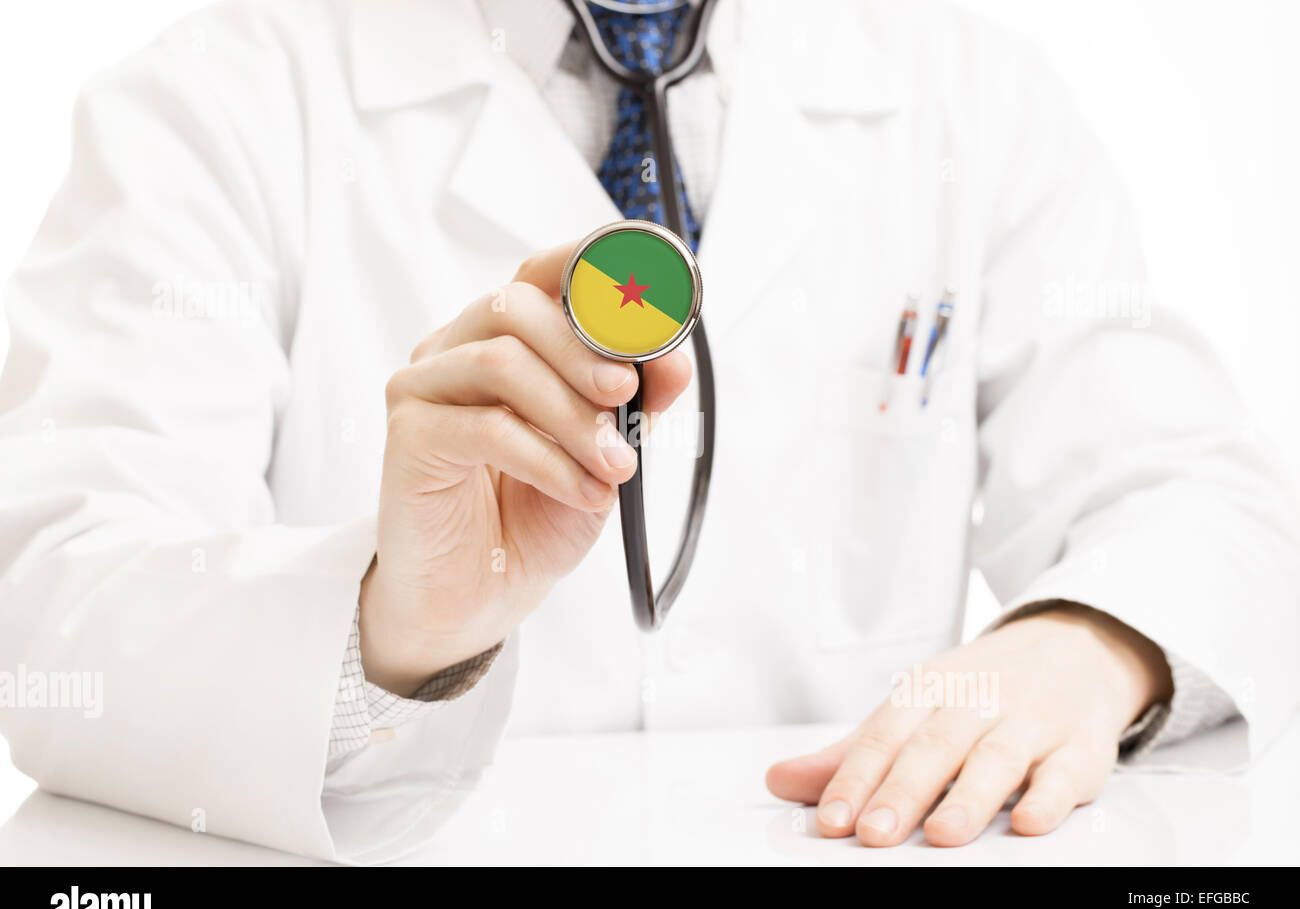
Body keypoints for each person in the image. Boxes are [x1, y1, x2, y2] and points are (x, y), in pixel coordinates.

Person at [1, 0, 1296, 864]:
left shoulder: (967, 91)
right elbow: (55, 613)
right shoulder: (214, 99)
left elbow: (1198, 497)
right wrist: (391, 627)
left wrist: (1089, 641)